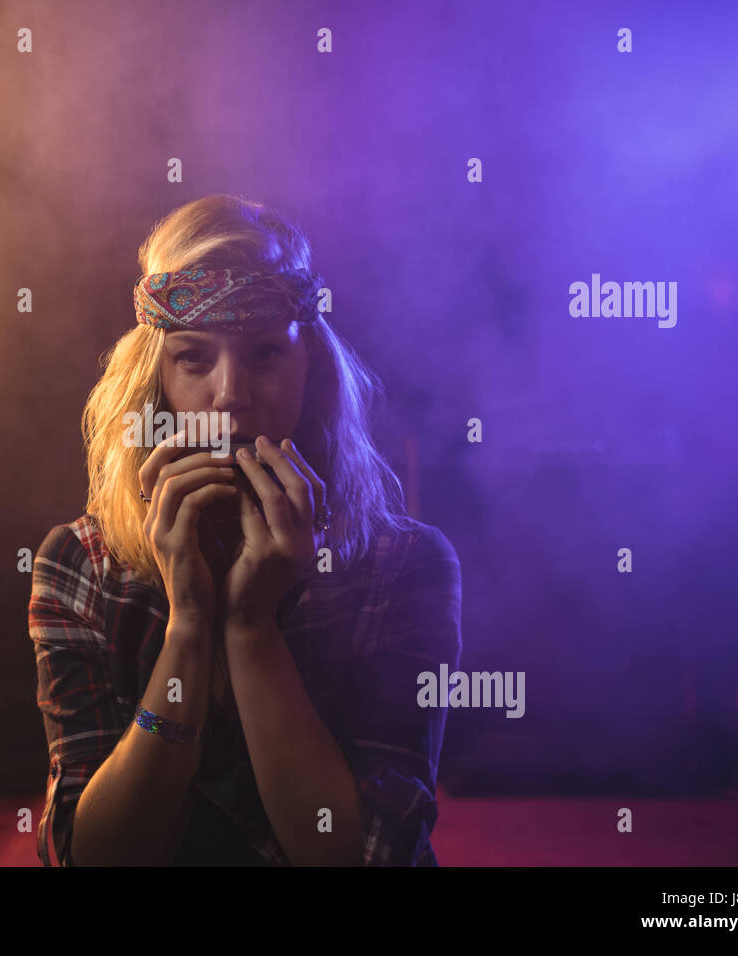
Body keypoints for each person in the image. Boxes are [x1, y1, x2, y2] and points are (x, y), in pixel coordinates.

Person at [29, 194, 462, 866]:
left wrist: (251, 631)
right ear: (154, 384)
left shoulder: (406, 564)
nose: (230, 394)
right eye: (195, 359)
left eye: (264, 353)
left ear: (309, 367)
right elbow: (93, 857)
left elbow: (364, 858)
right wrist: (191, 625)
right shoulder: (78, 564)